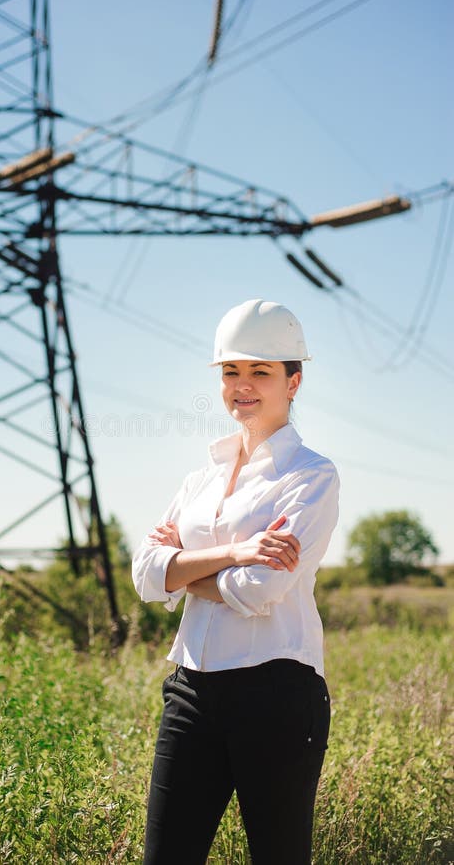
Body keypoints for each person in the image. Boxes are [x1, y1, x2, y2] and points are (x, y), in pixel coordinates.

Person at [131, 298, 340, 865]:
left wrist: (185, 565)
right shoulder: (199, 479)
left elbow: (258, 591)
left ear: (293, 381)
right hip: (191, 690)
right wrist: (237, 551)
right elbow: (144, 575)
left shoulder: (311, 475)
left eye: (261, 372)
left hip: (277, 691)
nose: (242, 386)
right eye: (231, 371)